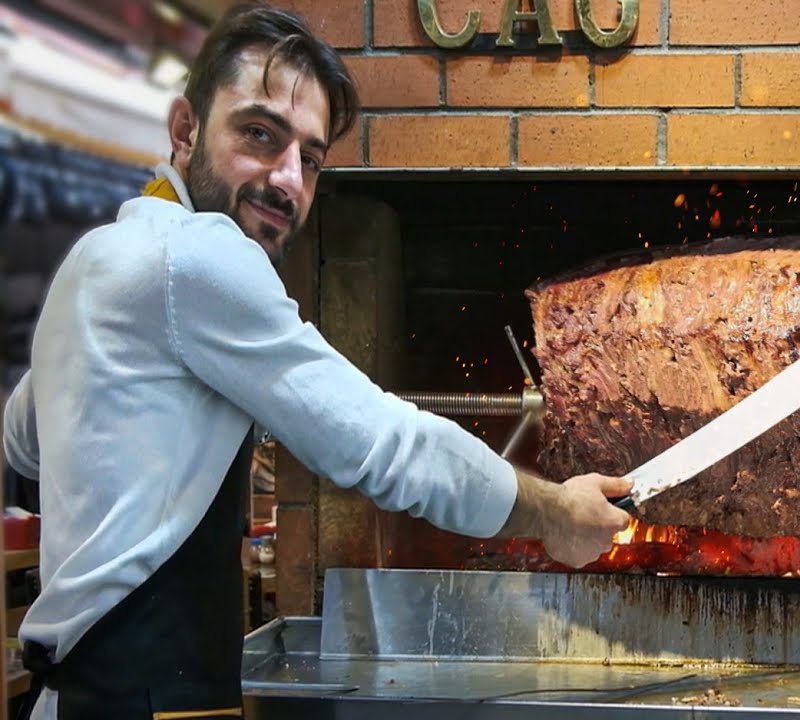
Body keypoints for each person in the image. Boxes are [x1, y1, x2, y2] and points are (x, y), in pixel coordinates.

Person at [1, 4, 632, 718]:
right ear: (185, 130)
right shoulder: (199, 253)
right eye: (259, 133)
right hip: (147, 701)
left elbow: (23, 441)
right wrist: (554, 510)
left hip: (70, 697)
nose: (287, 179)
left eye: (309, 157)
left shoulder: (96, 258)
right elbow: (383, 444)